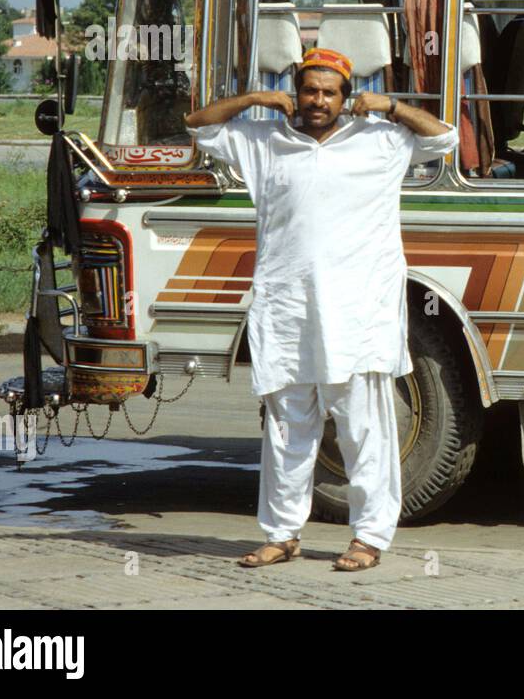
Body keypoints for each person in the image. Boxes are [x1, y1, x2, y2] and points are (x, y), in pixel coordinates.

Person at [183, 46, 458, 571]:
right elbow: (198, 125)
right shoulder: (265, 142)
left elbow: (445, 137)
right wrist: (258, 97)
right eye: (309, 90)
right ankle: (282, 535)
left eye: (329, 92)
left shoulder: (381, 141)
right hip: (287, 312)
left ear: (345, 98)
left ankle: (369, 539)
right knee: (287, 429)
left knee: (364, 430)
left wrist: (392, 107)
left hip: (359, 314)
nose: (318, 100)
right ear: (295, 93)